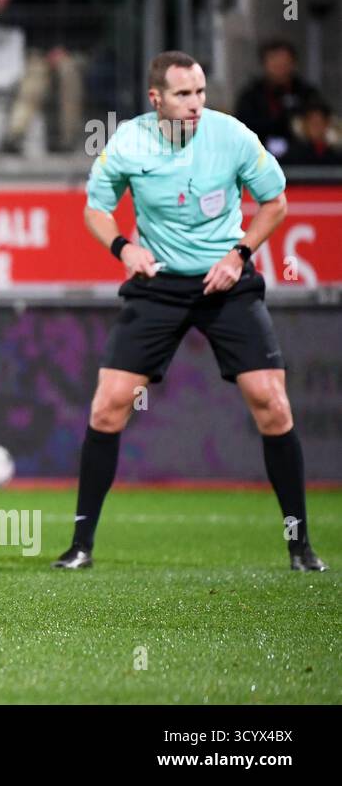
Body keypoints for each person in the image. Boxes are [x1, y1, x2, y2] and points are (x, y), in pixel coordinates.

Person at [55, 50, 327, 573]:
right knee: (109, 406)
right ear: (156, 98)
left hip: (226, 284)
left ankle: (300, 547)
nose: (196, 104)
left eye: (200, 92)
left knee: (272, 404)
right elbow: (96, 208)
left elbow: (276, 202)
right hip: (157, 285)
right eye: (183, 95)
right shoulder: (129, 141)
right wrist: (123, 250)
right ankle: (81, 546)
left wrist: (239, 254)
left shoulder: (233, 136)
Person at [234, 39, 319, 161]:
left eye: (284, 62)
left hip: (302, 159)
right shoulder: (251, 95)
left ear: (293, 63)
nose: (280, 67)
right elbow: (242, 128)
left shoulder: (306, 93)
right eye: (274, 61)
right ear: (264, 64)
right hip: (260, 158)